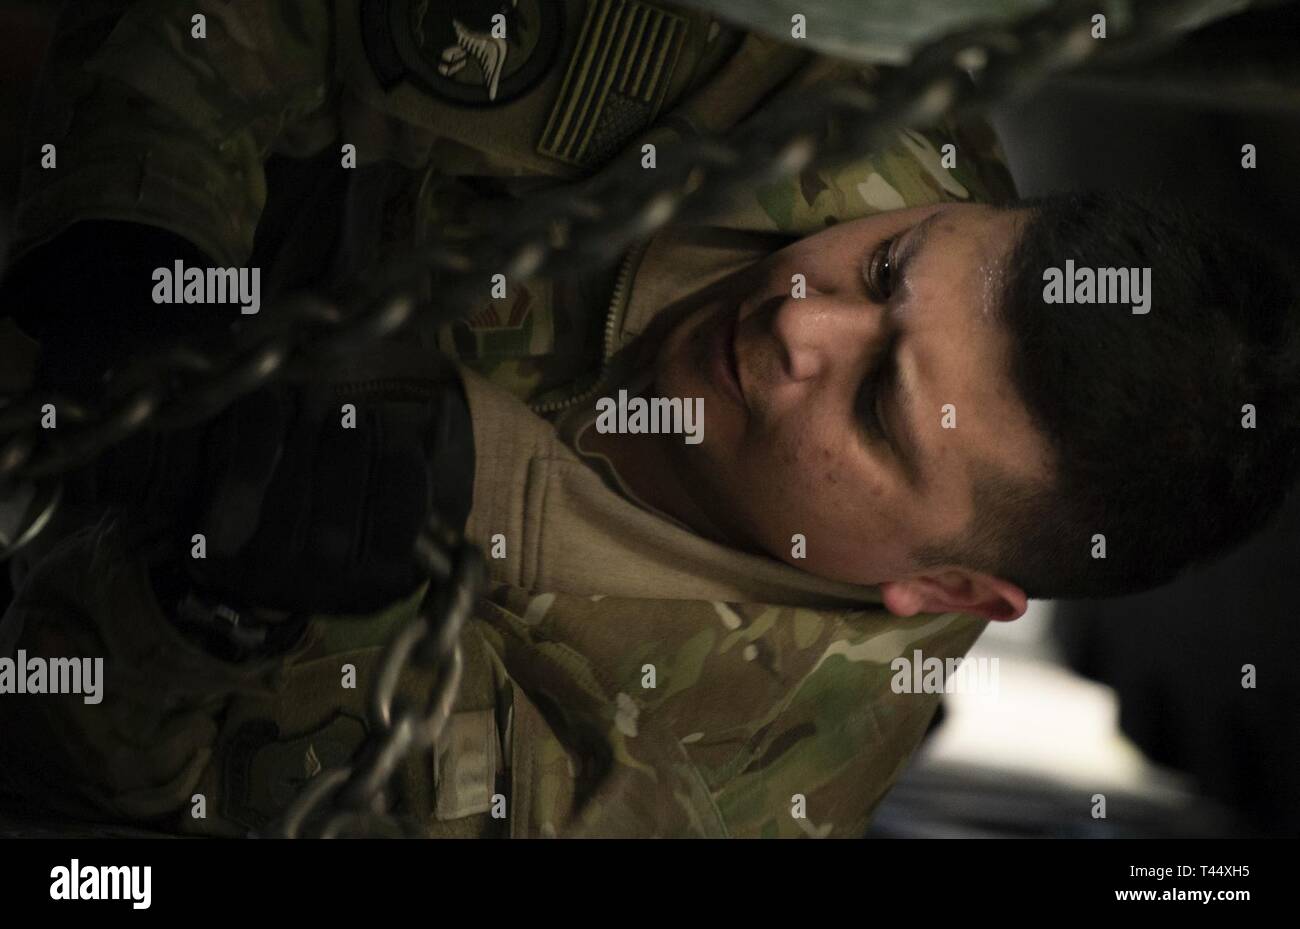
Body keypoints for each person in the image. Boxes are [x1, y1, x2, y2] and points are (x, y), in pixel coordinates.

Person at [0, 0, 1296, 839]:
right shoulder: (816, 90)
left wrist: (219, 605)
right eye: (888, 270)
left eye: (875, 404)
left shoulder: (710, 800)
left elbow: (104, 815)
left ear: (951, 581)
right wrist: (139, 230)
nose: (802, 320)